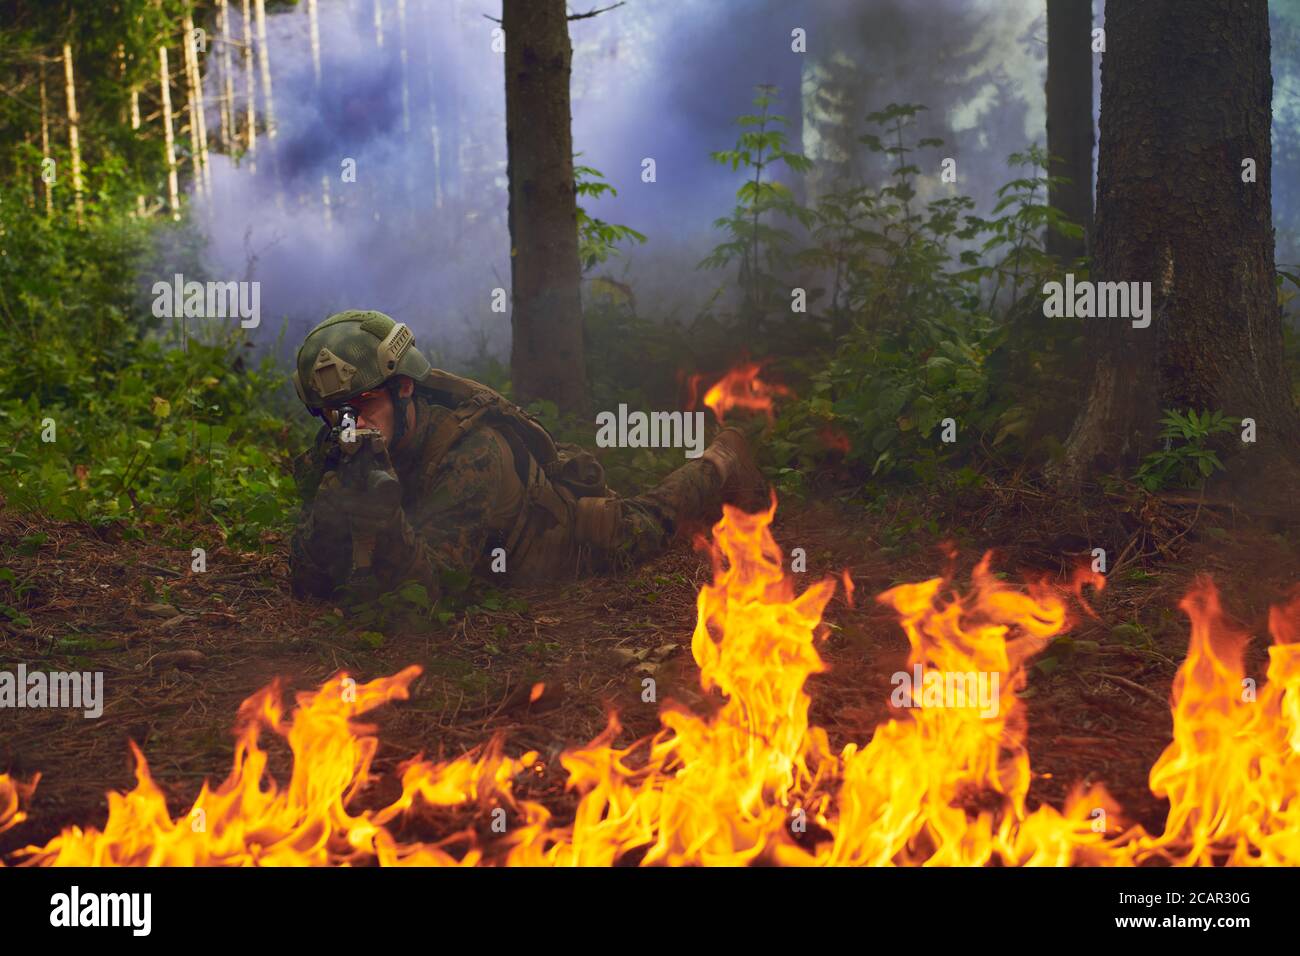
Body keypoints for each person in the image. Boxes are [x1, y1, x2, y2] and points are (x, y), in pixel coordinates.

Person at [289, 310, 764, 602]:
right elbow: (310, 580)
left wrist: (384, 520)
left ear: (404, 388)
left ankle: (721, 460)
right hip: (481, 548)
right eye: (335, 412)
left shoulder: (467, 453)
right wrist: (330, 509)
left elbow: (431, 592)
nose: (351, 424)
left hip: (558, 537)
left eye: (365, 404)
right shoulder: (342, 450)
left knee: (648, 522)